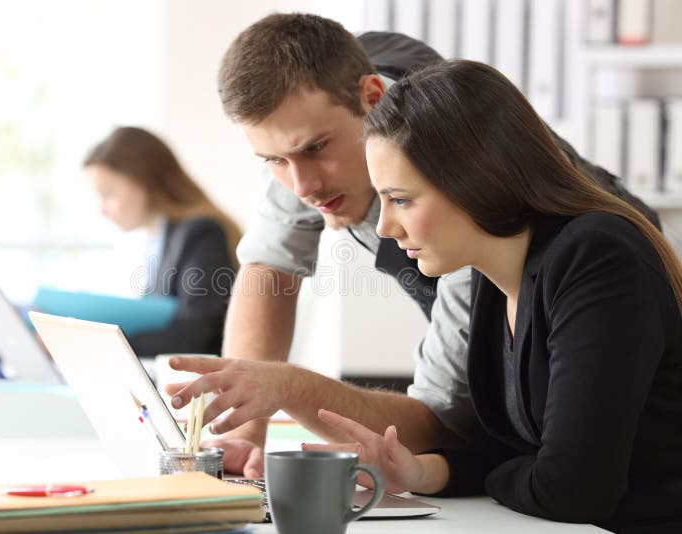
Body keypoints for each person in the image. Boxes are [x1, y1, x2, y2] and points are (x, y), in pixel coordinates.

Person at [166, 13, 660, 479]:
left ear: (373, 97)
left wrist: (290, 388)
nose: (300, 187)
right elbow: (268, 267)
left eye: (314, 149)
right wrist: (244, 429)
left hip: (612, 353)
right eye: (273, 160)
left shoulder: (469, 206)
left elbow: (444, 419)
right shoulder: (311, 122)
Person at [297, 60, 682, 533]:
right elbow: (519, 448)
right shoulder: (491, 275)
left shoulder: (595, 255)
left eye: (402, 199)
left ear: (475, 179)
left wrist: (512, 473)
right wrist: (418, 471)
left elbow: (572, 490)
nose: (384, 228)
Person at [83, 126, 241, 357]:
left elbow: (193, 336)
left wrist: (97, 346)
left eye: (108, 193)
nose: (102, 210)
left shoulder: (202, 234)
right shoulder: (161, 239)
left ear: (141, 182)